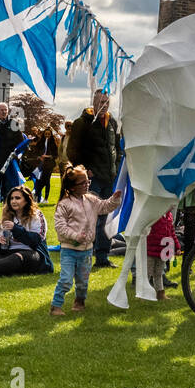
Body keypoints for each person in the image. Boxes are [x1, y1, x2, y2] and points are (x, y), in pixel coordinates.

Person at [50, 166, 121, 316]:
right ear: (72, 187)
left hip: (87, 250)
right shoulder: (64, 205)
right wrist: (76, 236)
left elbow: (105, 206)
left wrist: (115, 199)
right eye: (82, 183)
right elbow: (60, 227)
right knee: (66, 279)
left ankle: (79, 301)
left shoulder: (91, 200)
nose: (87, 184)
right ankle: (56, 306)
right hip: (69, 250)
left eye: (87, 181)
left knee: (83, 281)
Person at [66, 90, 122, 268]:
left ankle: (102, 257)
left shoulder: (112, 122)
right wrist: (84, 170)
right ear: (94, 102)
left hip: (110, 177)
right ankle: (83, 256)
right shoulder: (82, 123)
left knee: (105, 218)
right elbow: (72, 151)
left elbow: (116, 148)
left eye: (107, 102)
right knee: (88, 218)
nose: (104, 106)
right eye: (101, 102)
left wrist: (118, 166)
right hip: (92, 178)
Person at [0, 184, 52, 279]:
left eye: (17, 198)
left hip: (33, 254)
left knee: (18, 256)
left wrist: (16, 229)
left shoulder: (36, 216)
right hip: (9, 253)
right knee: (0, 259)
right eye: (11, 198)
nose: (13, 201)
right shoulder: (7, 217)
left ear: (26, 200)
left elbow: (36, 240)